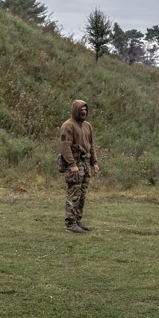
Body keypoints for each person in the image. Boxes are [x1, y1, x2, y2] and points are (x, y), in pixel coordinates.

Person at [59, 99, 99, 233]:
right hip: (75, 163)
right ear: (75, 110)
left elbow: (91, 145)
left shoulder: (88, 126)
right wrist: (72, 164)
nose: (84, 112)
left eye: (85, 110)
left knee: (82, 194)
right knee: (74, 193)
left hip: (86, 163)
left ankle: (77, 220)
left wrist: (95, 162)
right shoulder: (67, 125)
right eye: (81, 110)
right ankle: (70, 224)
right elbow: (65, 146)